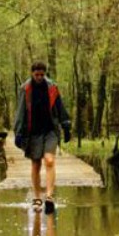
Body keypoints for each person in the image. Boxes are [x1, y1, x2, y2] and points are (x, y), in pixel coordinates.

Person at [13, 62, 71, 212]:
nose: (39, 77)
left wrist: (66, 126)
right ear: (32, 73)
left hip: (50, 130)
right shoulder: (25, 89)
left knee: (50, 160)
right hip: (33, 132)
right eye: (36, 74)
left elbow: (60, 107)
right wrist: (18, 132)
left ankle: (50, 197)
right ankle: (37, 198)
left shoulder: (52, 87)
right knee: (36, 165)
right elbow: (20, 111)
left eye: (41, 74)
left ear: (45, 74)